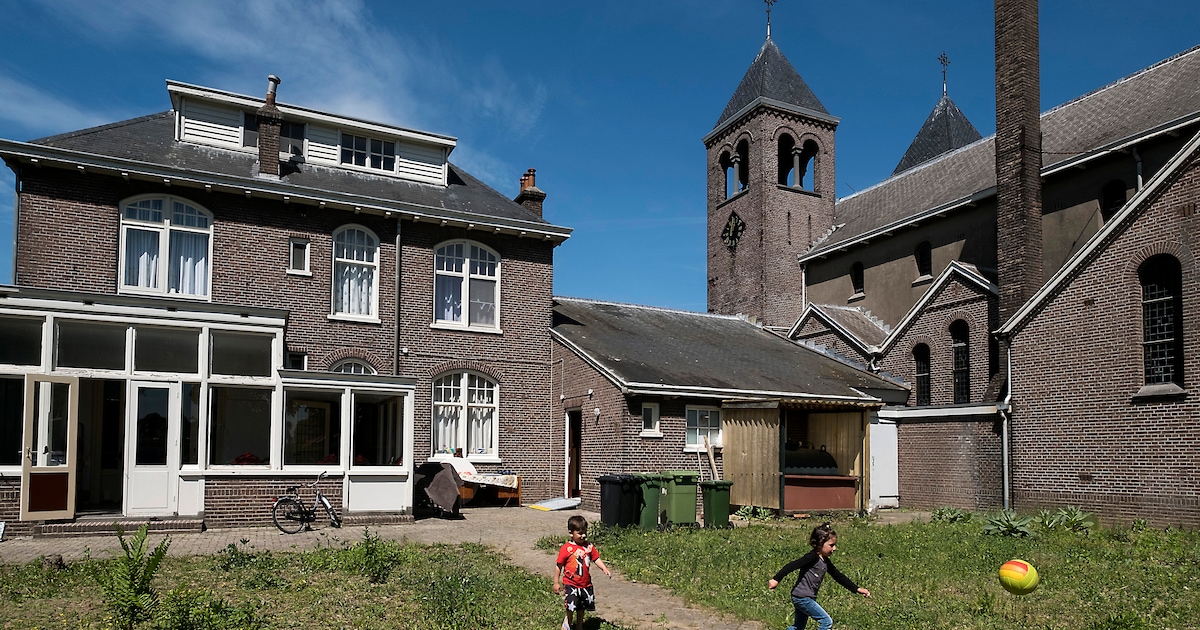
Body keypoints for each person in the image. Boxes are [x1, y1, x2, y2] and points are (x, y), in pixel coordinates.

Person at [768, 522, 870, 630]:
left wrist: (857, 589)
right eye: (831, 545)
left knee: (798, 627)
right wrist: (776, 579)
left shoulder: (825, 561)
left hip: (801, 596)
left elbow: (838, 576)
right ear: (820, 544)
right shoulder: (812, 557)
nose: (834, 548)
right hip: (803, 597)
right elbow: (792, 565)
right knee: (826, 622)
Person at [552, 514, 612, 630]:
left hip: (585, 584)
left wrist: (604, 568)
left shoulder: (589, 547)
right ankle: (568, 621)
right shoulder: (566, 548)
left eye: (585, 532)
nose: (583, 535)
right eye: (579, 533)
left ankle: (579, 625)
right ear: (571, 533)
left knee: (581, 606)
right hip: (571, 584)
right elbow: (558, 566)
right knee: (571, 605)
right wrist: (556, 582)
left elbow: (596, 558)